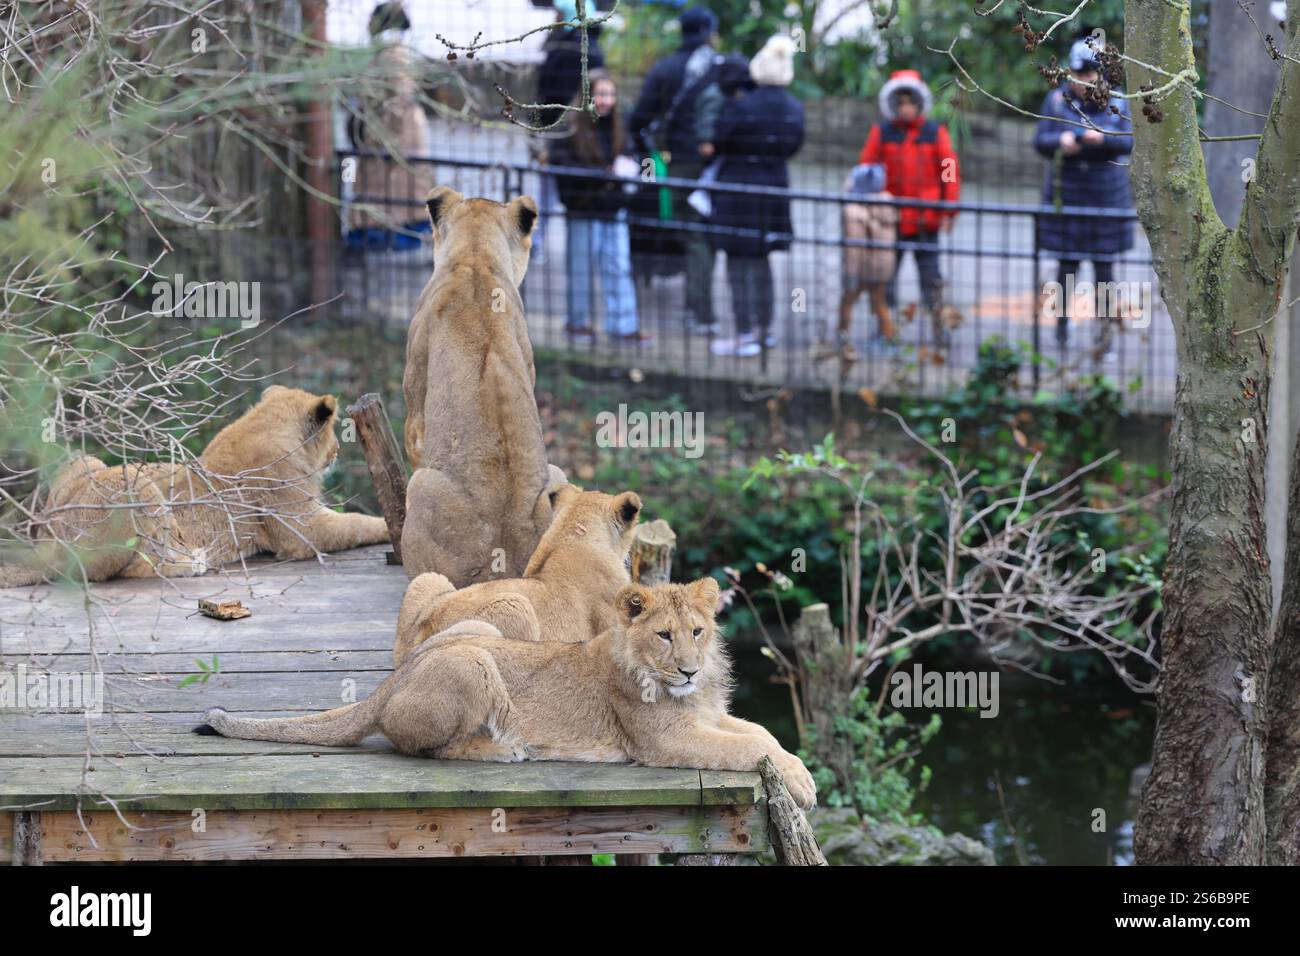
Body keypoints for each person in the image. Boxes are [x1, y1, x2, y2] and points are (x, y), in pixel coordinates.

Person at [1033, 30, 1134, 351]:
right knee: (1066, 269)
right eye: (1077, 74)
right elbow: (1040, 141)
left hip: (1106, 199)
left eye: (1089, 73)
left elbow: (1128, 141)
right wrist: (1061, 143)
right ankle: (1062, 330)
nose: (1083, 80)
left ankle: (1104, 338)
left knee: (1104, 273)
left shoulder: (1118, 101)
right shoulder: (1056, 100)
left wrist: (1102, 138)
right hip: (1068, 195)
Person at [625, 6, 723, 334]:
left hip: (670, 163)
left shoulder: (665, 69)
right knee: (702, 235)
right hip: (715, 167)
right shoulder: (721, 69)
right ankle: (700, 310)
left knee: (674, 226)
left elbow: (639, 118)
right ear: (708, 31)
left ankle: (694, 309)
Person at [708, 35, 804, 358]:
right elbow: (794, 146)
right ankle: (766, 331)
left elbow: (718, 140)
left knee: (737, 262)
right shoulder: (795, 109)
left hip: (738, 191)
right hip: (774, 189)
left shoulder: (740, 106)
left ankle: (743, 333)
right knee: (762, 261)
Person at [858, 69, 960, 345]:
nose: (905, 108)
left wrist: (949, 210)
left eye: (909, 102)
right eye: (900, 102)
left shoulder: (934, 132)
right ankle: (885, 330)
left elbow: (948, 169)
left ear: (918, 103)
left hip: (926, 221)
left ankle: (940, 333)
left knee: (932, 281)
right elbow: (866, 169)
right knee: (885, 279)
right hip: (890, 220)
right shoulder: (882, 132)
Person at [550, 71, 650, 344]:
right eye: (600, 94)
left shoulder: (622, 125)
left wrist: (640, 181)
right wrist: (603, 175)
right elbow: (561, 168)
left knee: (619, 267)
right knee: (580, 267)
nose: (606, 101)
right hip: (583, 209)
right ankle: (576, 322)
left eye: (610, 94)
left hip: (614, 208)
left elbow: (645, 160)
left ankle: (624, 325)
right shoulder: (569, 127)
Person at [346, 1, 435, 251]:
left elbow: (398, 94)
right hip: (391, 130)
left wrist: (377, 130)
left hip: (393, 132)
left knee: (392, 188)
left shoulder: (393, 54)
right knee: (392, 189)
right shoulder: (394, 51)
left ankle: (386, 237)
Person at [532, 0, 608, 258]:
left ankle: (536, 245)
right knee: (580, 190)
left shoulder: (557, 48)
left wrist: (539, 133)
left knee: (547, 191)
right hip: (583, 133)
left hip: (555, 131)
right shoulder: (594, 52)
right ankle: (584, 249)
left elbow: (542, 93)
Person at [837, 162, 898, 357]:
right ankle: (889, 338)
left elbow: (854, 248)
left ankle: (842, 336)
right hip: (882, 269)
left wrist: (850, 274)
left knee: (847, 301)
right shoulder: (887, 204)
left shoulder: (853, 212)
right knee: (879, 302)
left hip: (861, 268)